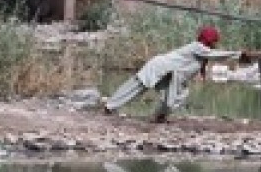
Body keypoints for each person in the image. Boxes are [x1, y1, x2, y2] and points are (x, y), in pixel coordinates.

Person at [104, 25, 242, 122]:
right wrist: (239, 55)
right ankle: (110, 106)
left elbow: (208, 57)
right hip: (159, 66)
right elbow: (215, 55)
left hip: (171, 74)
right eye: (214, 41)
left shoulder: (201, 49)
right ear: (209, 40)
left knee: (180, 95)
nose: (215, 44)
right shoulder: (198, 47)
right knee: (136, 87)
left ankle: (160, 116)